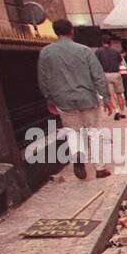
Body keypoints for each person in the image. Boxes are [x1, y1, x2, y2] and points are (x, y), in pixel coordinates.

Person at [37, 18, 112, 180]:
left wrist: (49, 98)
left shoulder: (46, 53)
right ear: (71, 31)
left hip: (63, 100)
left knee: (73, 132)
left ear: (55, 32)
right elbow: (98, 75)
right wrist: (105, 97)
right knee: (94, 132)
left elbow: (43, 78)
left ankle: (78, 156)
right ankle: (99, 168)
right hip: (87, 98)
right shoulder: (84, 50)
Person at [94, 36, 126, 121]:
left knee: (111, 94)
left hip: (106, 74)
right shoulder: (115, 51)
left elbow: (96, 63)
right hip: (116, 73)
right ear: (110, 42)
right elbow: (119, 61)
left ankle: (116, 111)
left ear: (102, 42)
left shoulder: (98, 51)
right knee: (119, 94)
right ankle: (122, 112)